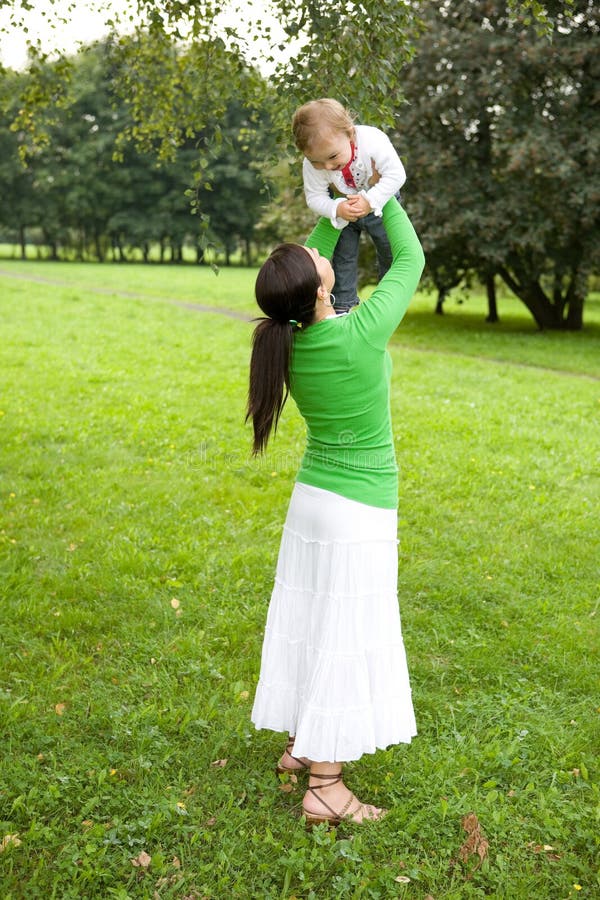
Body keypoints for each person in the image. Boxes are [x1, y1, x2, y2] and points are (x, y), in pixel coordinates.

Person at [246, 194, 425, 826]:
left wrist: (339, 211)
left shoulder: (286, 343)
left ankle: (300, 743)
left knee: (313, 617)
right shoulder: (360, 330)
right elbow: (410, 257)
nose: (320, 252)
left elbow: (303, 264)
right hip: (357, 512)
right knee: (345, 631)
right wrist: (382, 196)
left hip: (313, 504)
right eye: (315, 258)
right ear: (318, 290)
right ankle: (325, 787)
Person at [292, 98, 406, 314]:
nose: (326, 166)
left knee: (389, 250)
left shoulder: (372, 140)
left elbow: (396, 174)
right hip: (344, 211)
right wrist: (337, 208)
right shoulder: (313, 163)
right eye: (317, 162)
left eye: (333, 156)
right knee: (343, 256)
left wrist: (370, 200)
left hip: (379, 204)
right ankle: (342, 305)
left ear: (350, 134)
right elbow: (314, 197)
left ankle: (389, 298)